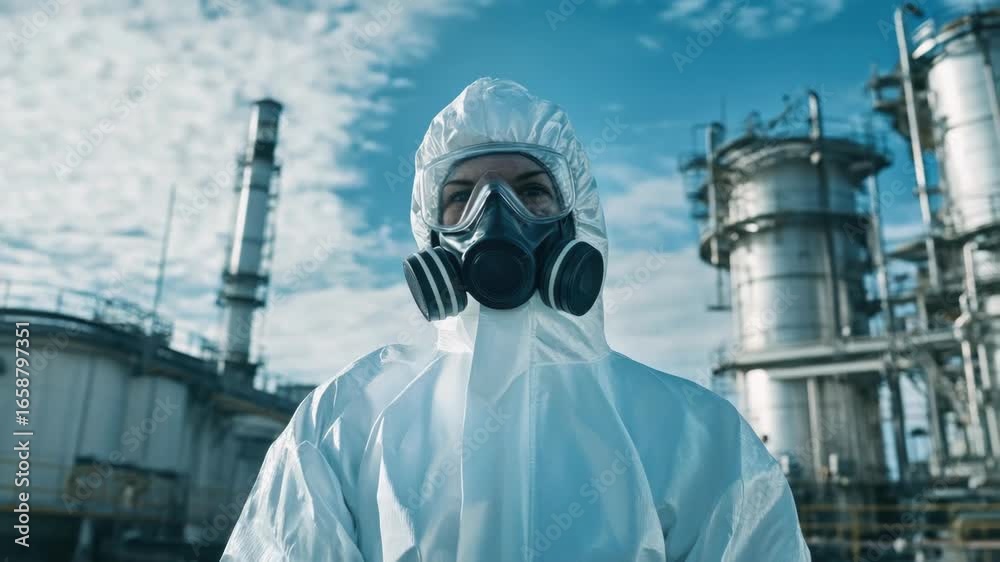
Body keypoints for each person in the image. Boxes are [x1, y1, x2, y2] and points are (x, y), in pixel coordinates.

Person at [222, 77, 811, 562]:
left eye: (531, 191)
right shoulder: (339, 425)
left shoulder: (703, 441)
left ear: (577, 222)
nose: (493, 217)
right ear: (431, 235)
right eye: (462, 197)